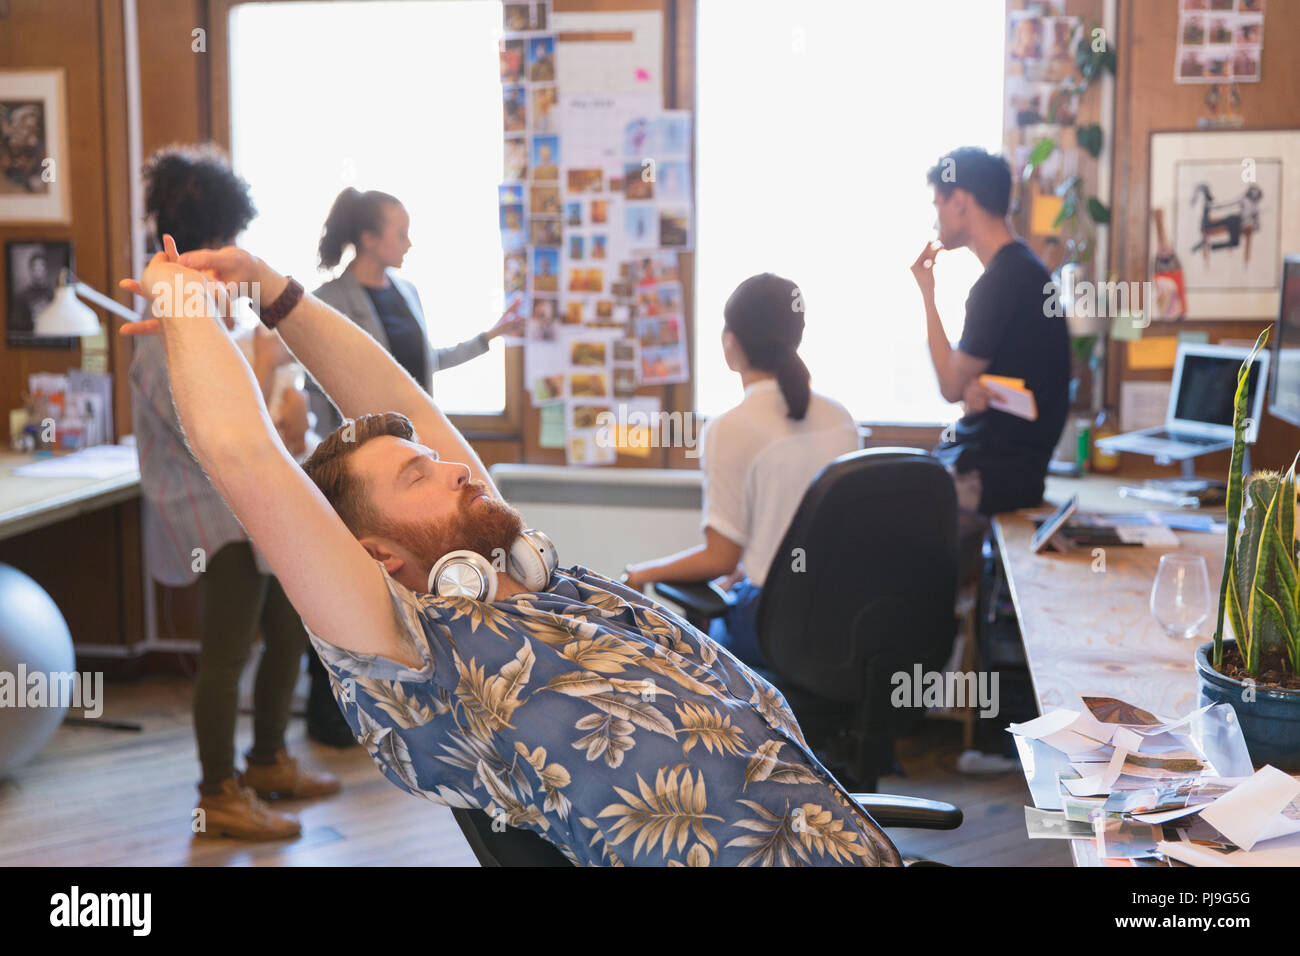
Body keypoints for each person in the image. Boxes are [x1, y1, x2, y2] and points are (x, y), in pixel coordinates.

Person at [117, 242, 901, 868]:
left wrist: (266, 284)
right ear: (376, 556)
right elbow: (243, 454)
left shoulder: (526, 577)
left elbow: (411, 402)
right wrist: (184, 298)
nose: (455, 466)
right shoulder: (416, 654)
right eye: (418, 474)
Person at [128, 144, 339, 842]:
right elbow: (205, 431)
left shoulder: (214, 308)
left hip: (254, 509)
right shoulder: (167, 321)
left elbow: (256, 416)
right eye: (227, 240)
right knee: (225, 653)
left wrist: (274, 396)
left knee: (285, 629)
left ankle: (268, 761)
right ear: (209, 238)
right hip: (208, 517)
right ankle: (217, 791)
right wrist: (274, 411)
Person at [306, 188, 524, 743]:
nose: (409, 242)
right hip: (362, 473)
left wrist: (487, 340)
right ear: (370, 238)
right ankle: (338, 720)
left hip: (409, 456)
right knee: (357, 589)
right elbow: (321, 381)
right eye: (400, 233)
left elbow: (423, 366)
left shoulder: (408, 291)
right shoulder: (330, 299)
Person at [621, 274, 860, 669]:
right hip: (846, 617)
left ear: (730, 344)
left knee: (693, 650)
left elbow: (720, 558)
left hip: (777, 625)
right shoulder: (841, 416)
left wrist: (642, 572)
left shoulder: (729, 428)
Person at [911, 146, 1069, 522]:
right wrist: (974, 387)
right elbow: (974, 385)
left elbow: (950, 386)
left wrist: (926, 292)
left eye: (938, 205)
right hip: (1015, 472)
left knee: (878, 504)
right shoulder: (1024, 270)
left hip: (991, 477)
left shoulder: (1000, 282)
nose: (936, 221)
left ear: (961, 202)